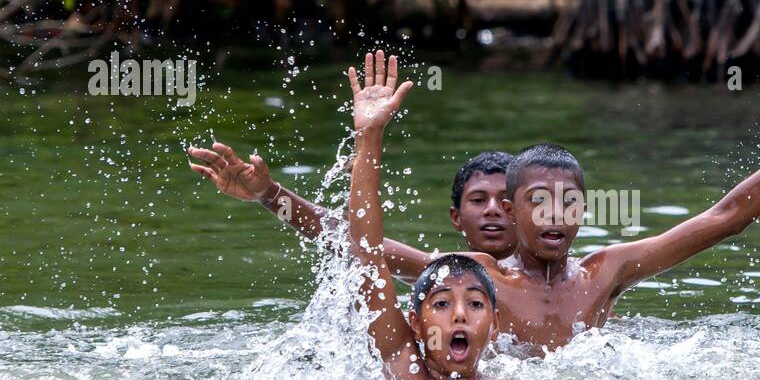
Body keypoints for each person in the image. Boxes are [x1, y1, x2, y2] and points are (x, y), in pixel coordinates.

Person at [459, 106, 760, 350]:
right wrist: (382, 133)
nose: (555, 214)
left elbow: (727, 219)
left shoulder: (605, 272)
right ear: (511, 211)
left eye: (568, 202)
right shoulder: (479, 276)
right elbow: (386, 261)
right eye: (538, 201)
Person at [344, 51, 529, 380]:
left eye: (475, 305)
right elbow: (366, 253)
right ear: (415, 323)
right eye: (442, 305)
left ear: (495, 327)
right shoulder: (401, 365)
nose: (459, 315)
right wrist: (369, 137)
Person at [186, 142, 516, 280]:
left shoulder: (563, 276)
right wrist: (268, 195)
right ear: (455, 218)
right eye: (477, 200)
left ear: (525, 212)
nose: (492, 211)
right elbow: (355, 243)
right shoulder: (444, 275)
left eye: (505, 201)